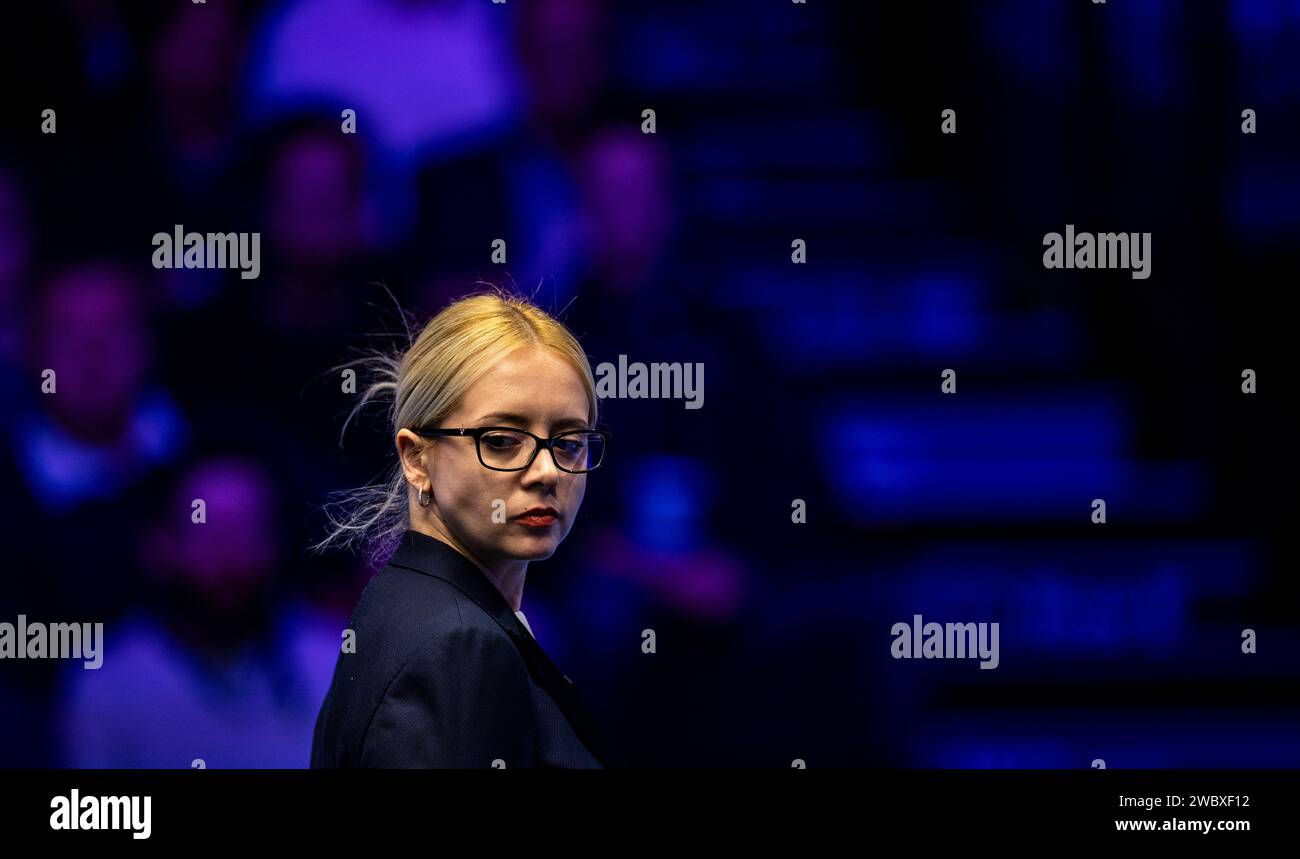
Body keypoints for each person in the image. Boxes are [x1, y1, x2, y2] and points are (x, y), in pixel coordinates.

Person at [310, 287, 612, 767]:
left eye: (570, 442)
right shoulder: (458, 645)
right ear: (416, 458)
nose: (547, 472)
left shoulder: (406, 602)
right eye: (501, 440)